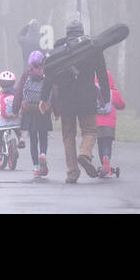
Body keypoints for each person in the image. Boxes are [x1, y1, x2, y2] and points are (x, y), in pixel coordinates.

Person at [39, 19, 109, 183]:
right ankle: (85, 154)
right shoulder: (92, 47)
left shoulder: (59, 49)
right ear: (81, 31)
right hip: (87, 97)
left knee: (68, 135)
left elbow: (49, 74)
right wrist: (106, 95)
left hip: (66, 98)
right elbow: (102, 73)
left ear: (67, 32)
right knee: (90, 131)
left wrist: (43, 98)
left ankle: (72, 172)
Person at [14, 50, 53, 177]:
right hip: (43, 110)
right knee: (43, 136)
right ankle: (43, 154)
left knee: (33, 139)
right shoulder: (46, 73)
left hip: (29, 110)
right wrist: (56, 110)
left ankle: (36, 167)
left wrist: (15, 108)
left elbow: (19, 91)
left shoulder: (27, 74)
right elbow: (54, 91)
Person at [94, 69, 126, 178]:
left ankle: (103, 165)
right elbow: (122, 105)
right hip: (109, 125)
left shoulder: (95, 93)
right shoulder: (113, 93)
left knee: (100, 144)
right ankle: (106, 158)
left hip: (97, 124)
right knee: (107, 144)